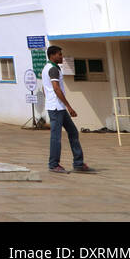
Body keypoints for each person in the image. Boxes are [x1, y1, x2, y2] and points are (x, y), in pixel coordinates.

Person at [42, 46, 93, 174]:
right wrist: (69, 107)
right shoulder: (52, 69)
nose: (61, 57)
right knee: (56, 137)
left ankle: (78, 163)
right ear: (52, 55)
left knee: (73, 132)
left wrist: (50, 99)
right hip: (56, 108)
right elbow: (56, 88)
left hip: (58, 106)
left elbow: (44, 88)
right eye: (59, 55)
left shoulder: (48, 68)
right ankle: (54, 164)